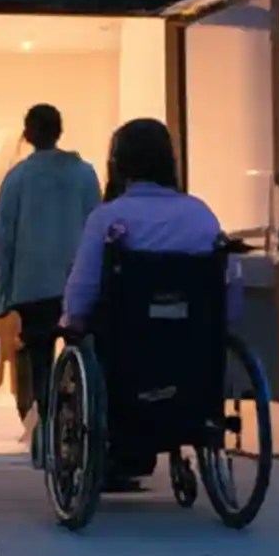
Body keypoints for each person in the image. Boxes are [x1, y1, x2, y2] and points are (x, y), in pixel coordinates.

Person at [60, 118, 223, 487]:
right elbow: (228, 289)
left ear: (118, 163)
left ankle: (113, 453)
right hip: (193, 353)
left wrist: (72, 320)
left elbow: (83, 287)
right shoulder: (201, 215)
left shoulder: (110, 218)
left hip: (125, 354)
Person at [0, 103, 101, 424]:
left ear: (28, 134)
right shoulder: (84, 174)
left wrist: (0, 296)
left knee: (34, 362)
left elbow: (3, 239)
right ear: (59, 131)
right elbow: (98, 228)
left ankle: (38, 426)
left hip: (30, 287)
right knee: (81, 357)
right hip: (78, 284)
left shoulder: (17, 178)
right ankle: (77, 420)